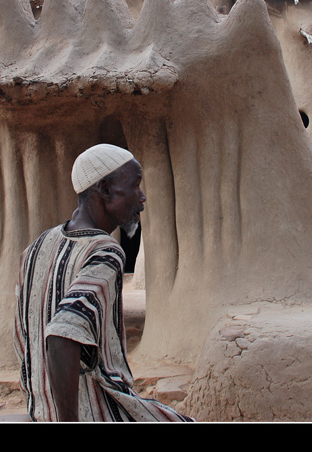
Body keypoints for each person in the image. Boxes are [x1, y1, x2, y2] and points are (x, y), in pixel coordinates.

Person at [14, 143, 192, 422]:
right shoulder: (104, 250)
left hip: (41, 411)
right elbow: (62, 333)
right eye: (135, 186)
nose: (142, 197)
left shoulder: (35, 248)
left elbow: (23, 339)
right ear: (106, 190)